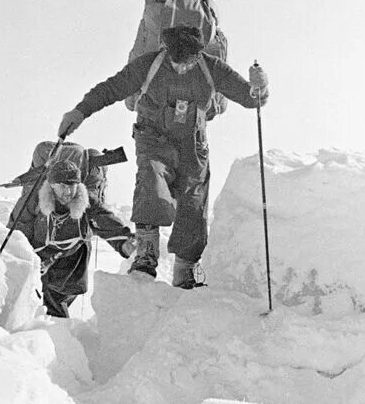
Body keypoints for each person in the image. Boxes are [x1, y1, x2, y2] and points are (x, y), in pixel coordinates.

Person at [57, 23, 269, 289]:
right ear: (167, 51)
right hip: (153, 138)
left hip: (193, 143)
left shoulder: (212, 68)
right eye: (176, 62)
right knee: (151, 183)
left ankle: (185, 271)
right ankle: (145, 256)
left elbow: (251, 99)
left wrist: (260, 88)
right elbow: (111, 89)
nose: (181, 68)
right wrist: (79, 112)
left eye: (188, 63)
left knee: (193, 202)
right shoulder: (150, 64)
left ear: (198, 54)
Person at [11, 158, 135, 317]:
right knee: (40, 300)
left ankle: (58, 333)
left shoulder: (86, 200)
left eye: (72, 186)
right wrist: (26, 259)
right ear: (52, 185)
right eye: (62, 186)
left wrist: (124, 242)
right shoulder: (34, 200)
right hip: (40, 257)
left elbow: (106, 222)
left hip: (72, 260)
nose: (68, 191)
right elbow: (18, 232)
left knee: (56, 300)